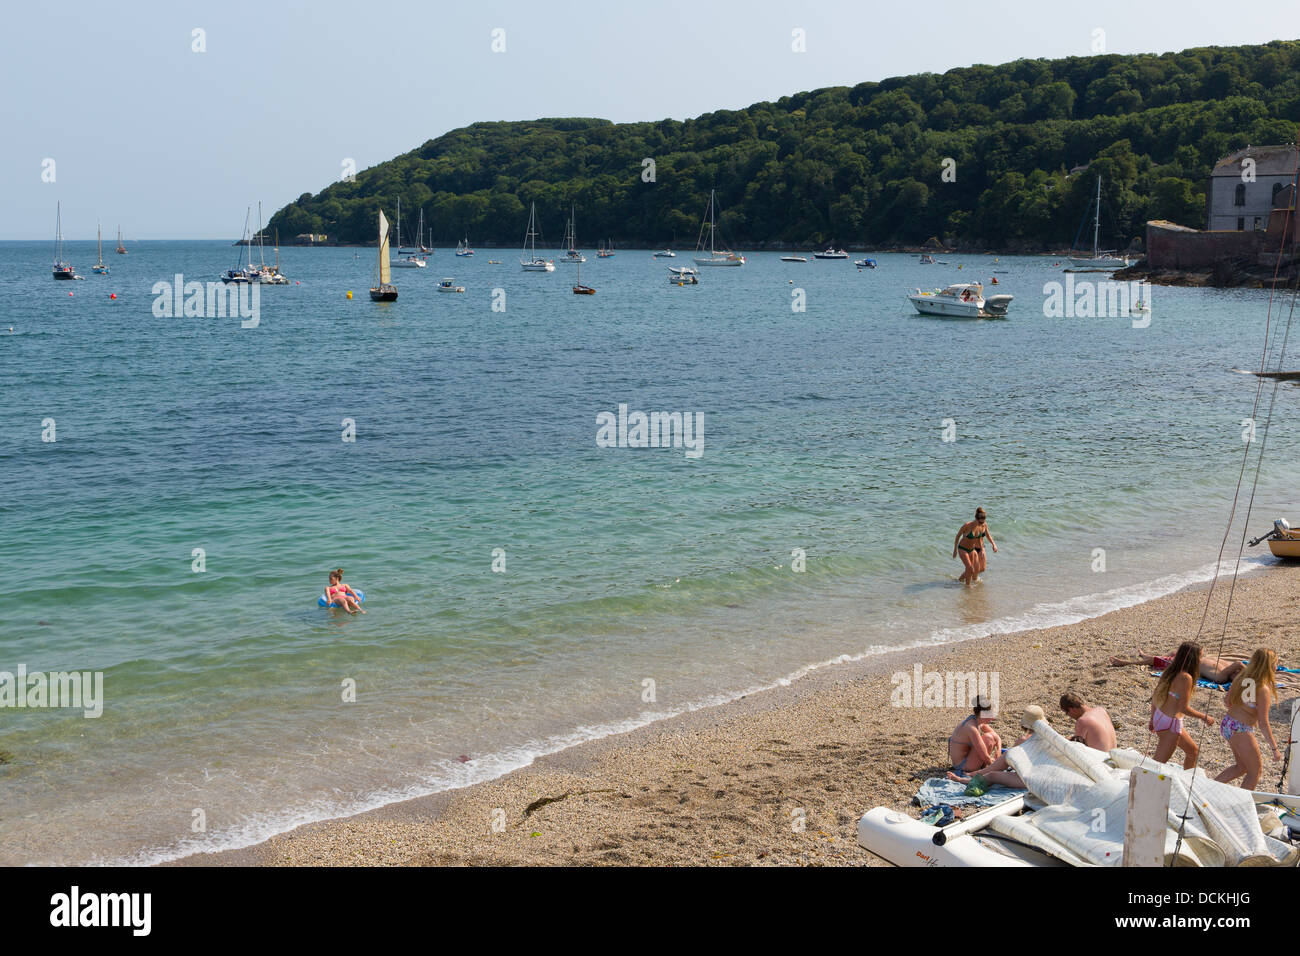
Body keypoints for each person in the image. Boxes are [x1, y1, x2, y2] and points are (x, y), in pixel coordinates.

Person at [1214, 648, 1282, 790]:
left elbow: (1227, 702)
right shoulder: (1263, 688)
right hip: (1241, 728)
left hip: (1228, 723)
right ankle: (1241, 807)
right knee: (1254, 771)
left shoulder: (1242, 677)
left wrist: (1244, 708)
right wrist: (1274, 748)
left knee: (1241, 767)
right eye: (1276, 663)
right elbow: (1263, 723)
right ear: (1269, 665)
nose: (1277, 666)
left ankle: (1205, 790)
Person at [1150, 641, 1212, 768]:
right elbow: (1183, 708)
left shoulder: (1170, 671)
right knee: (1156, 765)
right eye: (1200, 656)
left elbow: (1155, 695)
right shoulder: (1186, 678)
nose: (1201, 660)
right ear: (1193, 658)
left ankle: (1187, 782)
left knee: (1193, 751)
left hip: (1161, 717)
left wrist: (1152, 718)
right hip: (1170, 723)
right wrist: (1203, 717)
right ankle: (1138, 784)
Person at [945, 695, 1026, 788]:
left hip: (970, 759)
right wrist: (996, 765)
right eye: (991, 715)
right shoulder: (971, 728)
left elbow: (997, 737)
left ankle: (984, 769)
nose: (992, 718)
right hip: (963, 766)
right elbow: (984, 755)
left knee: (992, 737)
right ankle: (973, 774)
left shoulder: (977, 721)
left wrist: (998, 751)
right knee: (988, 738)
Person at [1108, 648, 1244, 684]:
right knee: (1174, 652)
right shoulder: (1227, 670)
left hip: (1188, 664)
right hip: (1194, 659)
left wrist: (1244, 672)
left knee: (1154, 660)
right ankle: (1147, 656)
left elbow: (1239, 664)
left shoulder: (1221, 677)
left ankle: (1125, 663)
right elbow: (1239, 664)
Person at [952, 507, 998, 586]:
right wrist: (955, 550)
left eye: (983, 522)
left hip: (972, 550)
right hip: (963, 549)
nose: (981, 524)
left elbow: (986, 536)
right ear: (976, 519)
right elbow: (958, 536)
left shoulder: (983, 525)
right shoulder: (967, 525)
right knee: (970, 568)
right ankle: (968, 586)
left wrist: (993, 545)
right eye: (980, 522)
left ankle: (960, 580)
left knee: (973, 570)